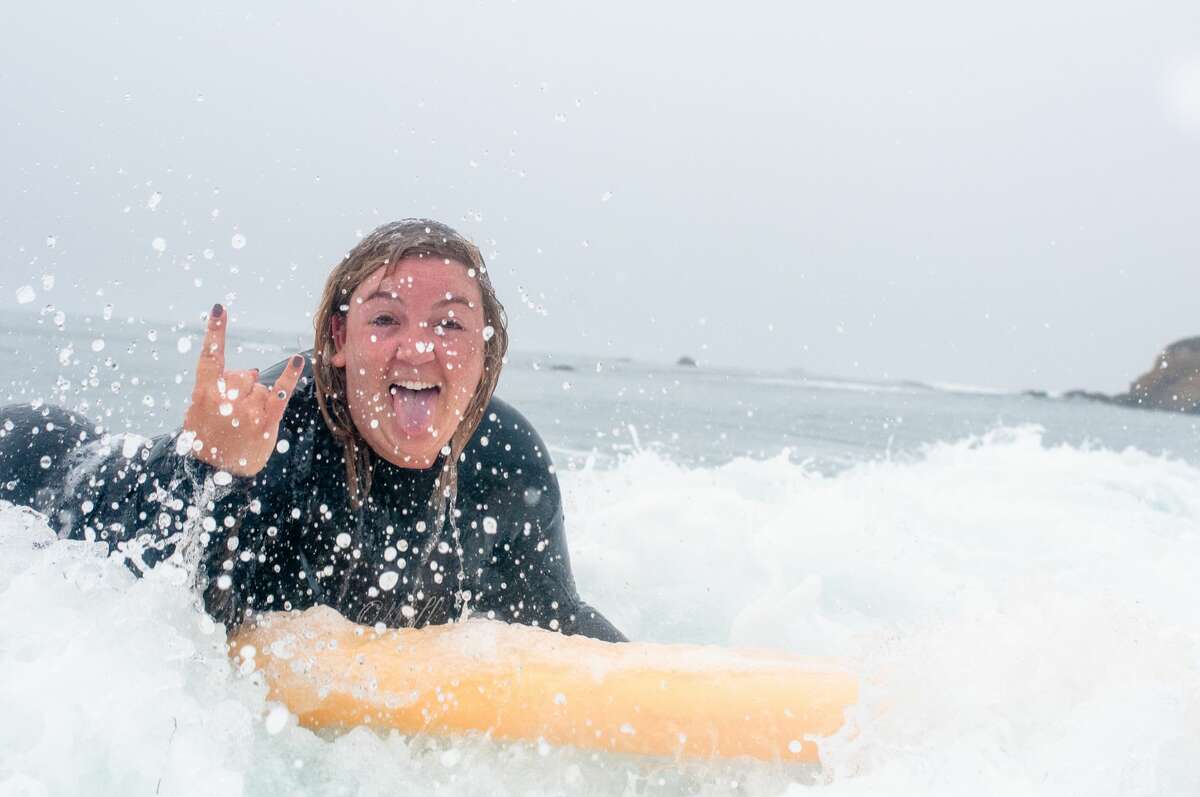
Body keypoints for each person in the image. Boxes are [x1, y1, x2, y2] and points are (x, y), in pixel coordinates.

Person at [0, 219, 624, 642]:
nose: (417, 348)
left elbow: (554, 619)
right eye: (385, 319)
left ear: (487, 348)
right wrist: (205, 464)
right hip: (36, 471)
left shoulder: (505, 461)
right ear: (337, 339)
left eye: (451, 324)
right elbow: (155, 593)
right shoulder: (280, 434)